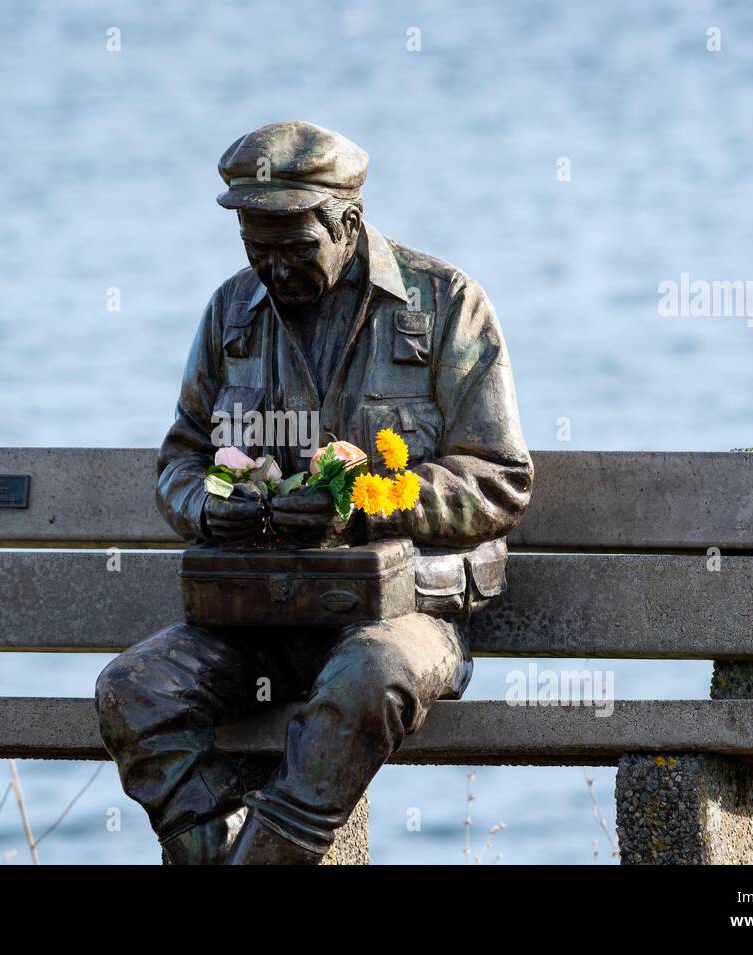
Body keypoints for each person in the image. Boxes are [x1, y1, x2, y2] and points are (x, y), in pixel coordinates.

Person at [94, 121, 534, 864]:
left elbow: (500, 479)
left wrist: (371, 500)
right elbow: (181, 461)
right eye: (255, 248)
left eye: (295, 248)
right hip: (253, 623)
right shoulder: (231, 314)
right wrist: (211, 507)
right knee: (132, 689)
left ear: (348, 223)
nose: (274, 268)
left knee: (368, 676)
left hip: (402, 619)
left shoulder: (446, 304)